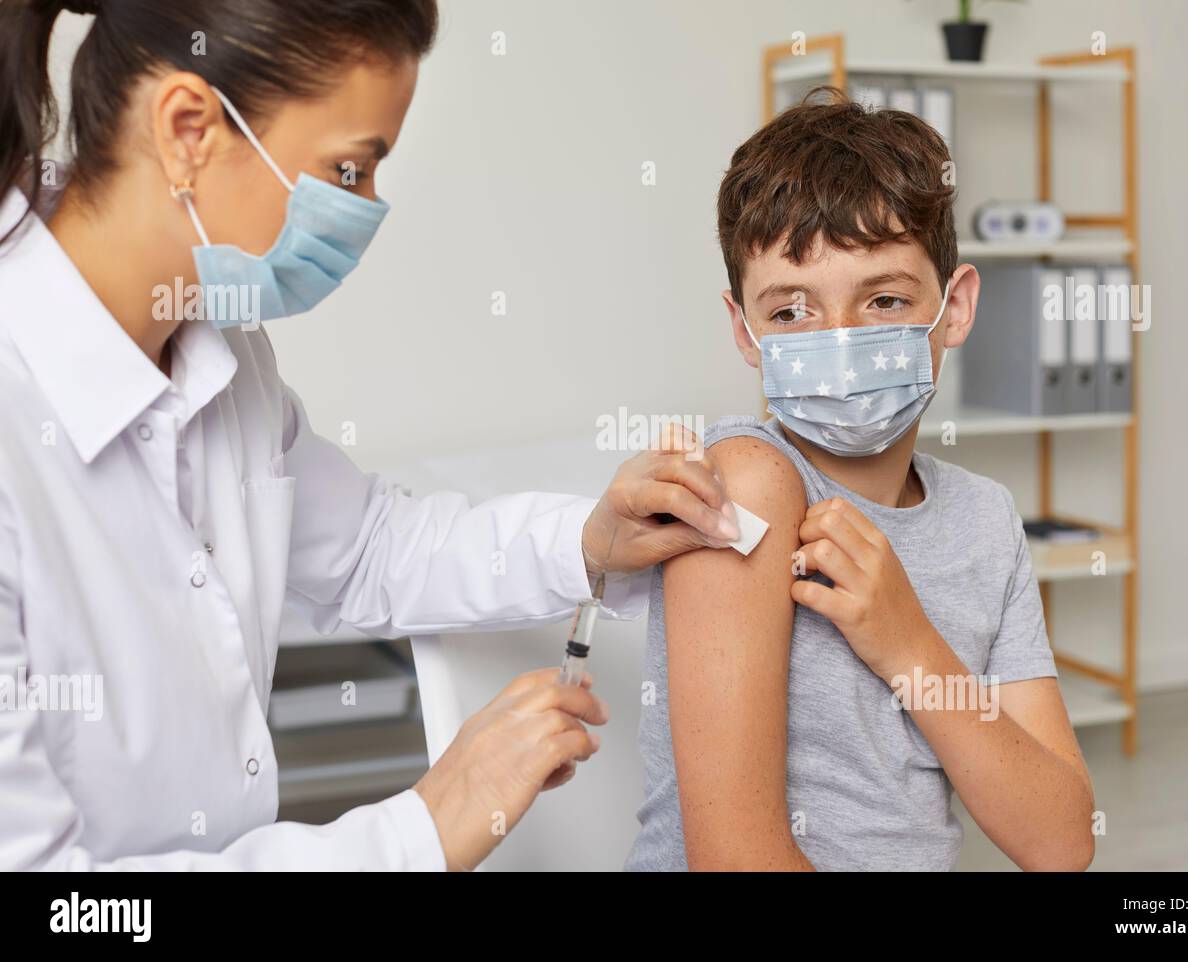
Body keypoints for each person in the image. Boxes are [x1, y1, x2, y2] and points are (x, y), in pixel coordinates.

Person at [0, 0, 739, 871]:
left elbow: (370, 550)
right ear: (190, 128)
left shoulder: (220, 351)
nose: (366, 212)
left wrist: (591, 544)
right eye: (348, 172)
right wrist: (427, 826)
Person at [627, 92, 1096, 871]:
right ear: (744, 330)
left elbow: (1062, 841)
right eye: (791, 312)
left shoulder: (984, 518)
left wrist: (908, 644)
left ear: (954, 307)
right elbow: (735, 858)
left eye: (883, 299)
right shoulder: (747, 484)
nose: (840, 341)